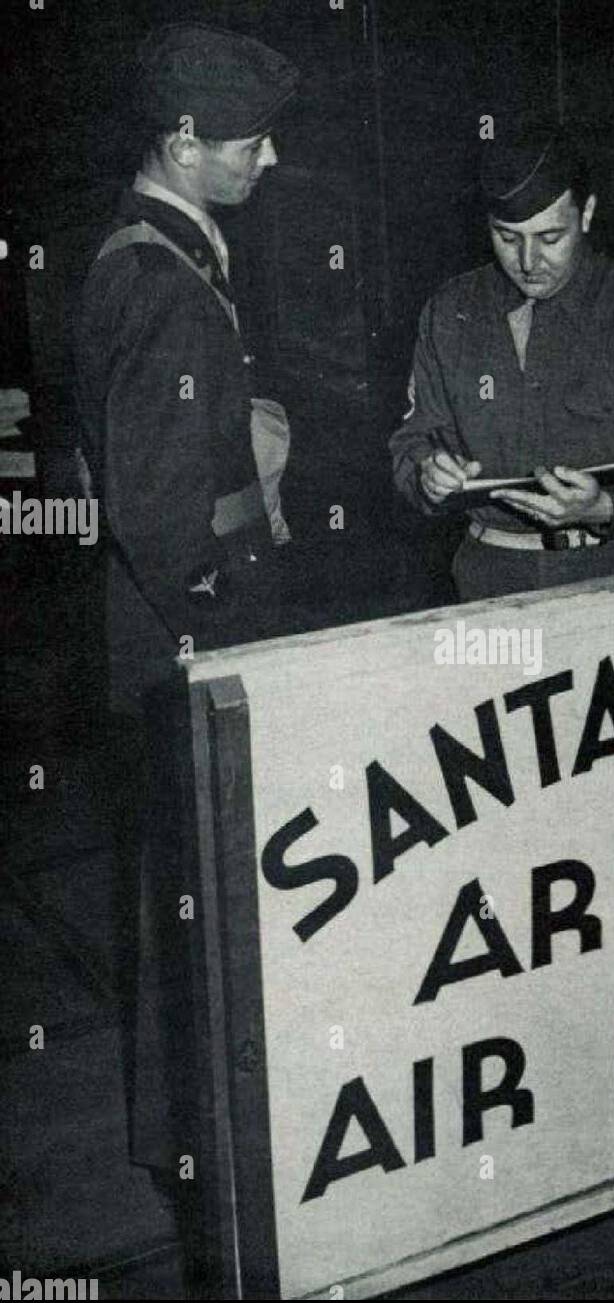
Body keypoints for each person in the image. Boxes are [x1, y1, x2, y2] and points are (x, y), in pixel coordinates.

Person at [72, 24, 298, 1176]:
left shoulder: (154, 252)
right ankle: (204, 1152)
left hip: (164, 640)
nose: (267, 161)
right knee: (197, 903)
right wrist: (222, 617)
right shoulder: (161, 283)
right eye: (251, 144)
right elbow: (157, 517)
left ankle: (195, 1139)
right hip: (187, 642)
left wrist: (244, 444)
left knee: (188, 900)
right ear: (186, 140)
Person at [390, 124, 614, 600]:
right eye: (507, 238)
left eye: (551, 237)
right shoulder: (450, 313)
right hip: (492, 581)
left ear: (586, 214)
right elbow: (411, 443)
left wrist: (607, 507)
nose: (529, 261)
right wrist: (428, 476)